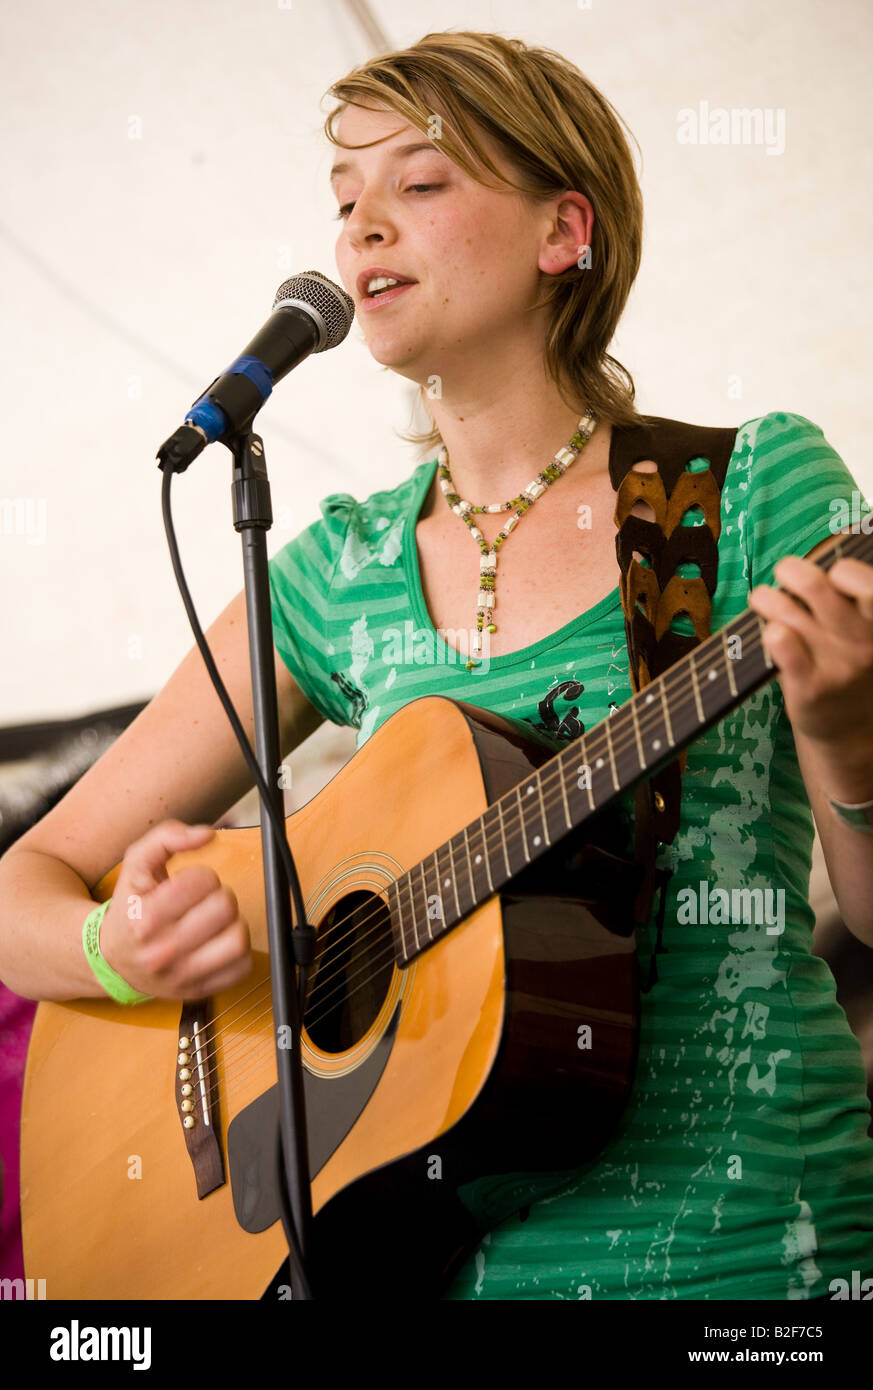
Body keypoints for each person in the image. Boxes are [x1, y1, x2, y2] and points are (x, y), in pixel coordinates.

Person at [2, 30, 872, 1301]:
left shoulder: (737, 493)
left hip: (756, 1260)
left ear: (562, 232)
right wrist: (121, 942)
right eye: (344, 200)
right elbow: (24, 889)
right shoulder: (334, 571)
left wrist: (852, 742)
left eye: (418, 182)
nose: (360, 232)